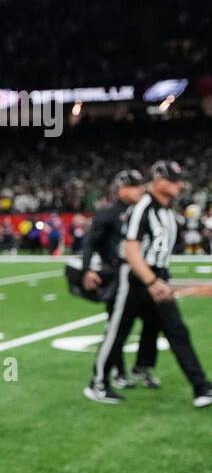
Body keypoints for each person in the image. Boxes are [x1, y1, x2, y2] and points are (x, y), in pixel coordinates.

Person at [87, 160, 212, 408]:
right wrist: (152, 281)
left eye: (179, 179)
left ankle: (201, 387)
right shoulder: (143, 207)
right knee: (117, 331)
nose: (179, 184)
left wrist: (160, 279)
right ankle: (98, 383)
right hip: (134, 278)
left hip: (157, 276)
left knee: (176, 330)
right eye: (173, 180)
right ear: (158, 181)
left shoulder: (167, 210)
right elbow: (130, 249)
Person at [81, 169, 160, 399]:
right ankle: (117, 372)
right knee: (117, 328)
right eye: (135, 186)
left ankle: (141, 366)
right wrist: (87, 269)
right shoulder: (108, 213)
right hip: (117, 277)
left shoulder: (142, 210)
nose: (141, 190)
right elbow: (90, 243)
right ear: (122, 188)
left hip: (141, 276)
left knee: (154, 320)